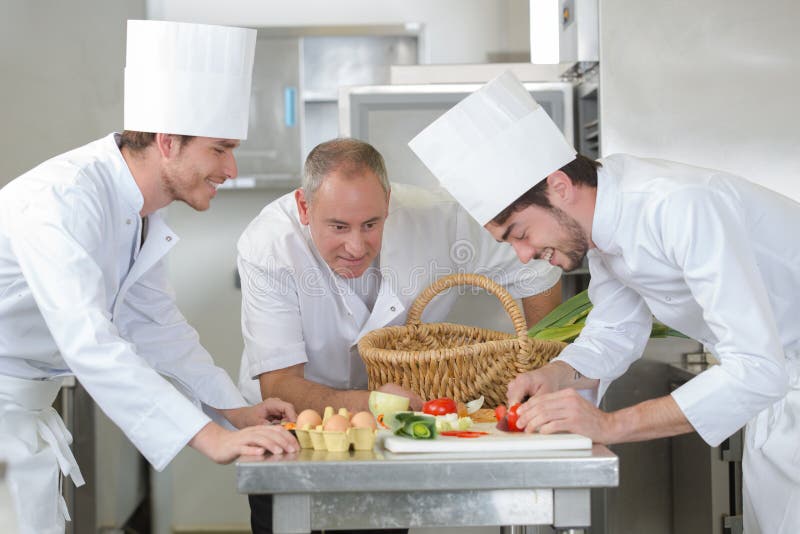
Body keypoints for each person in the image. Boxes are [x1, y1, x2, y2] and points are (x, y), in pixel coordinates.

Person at [409, 70, 799, 533]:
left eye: (520, 233)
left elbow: (756, 366)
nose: (524, 254)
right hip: (780, 403)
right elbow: (614, 331)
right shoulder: (602, 231)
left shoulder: (679, 207)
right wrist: (554, 373)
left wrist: (609, 425)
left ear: (558, 186)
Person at [0, 20, 298, 534]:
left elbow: (157, 326)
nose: (230, 167)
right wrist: (209, 437)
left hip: (21, 414)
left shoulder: (141, 213)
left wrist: (234, 413)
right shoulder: (63, 200)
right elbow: (89, 341)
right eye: (219, 148)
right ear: (167, 142)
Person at [237, 137, 563, 533]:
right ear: (305, 207)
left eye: (371, 224)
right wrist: (372, 402)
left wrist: (545, 369)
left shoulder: (440, 220)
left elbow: (536, 269)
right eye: (338, 227)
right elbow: (280, 384)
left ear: (388, 202)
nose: (356, 246)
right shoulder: (269, 245)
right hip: (292, 432)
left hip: (390, 439)